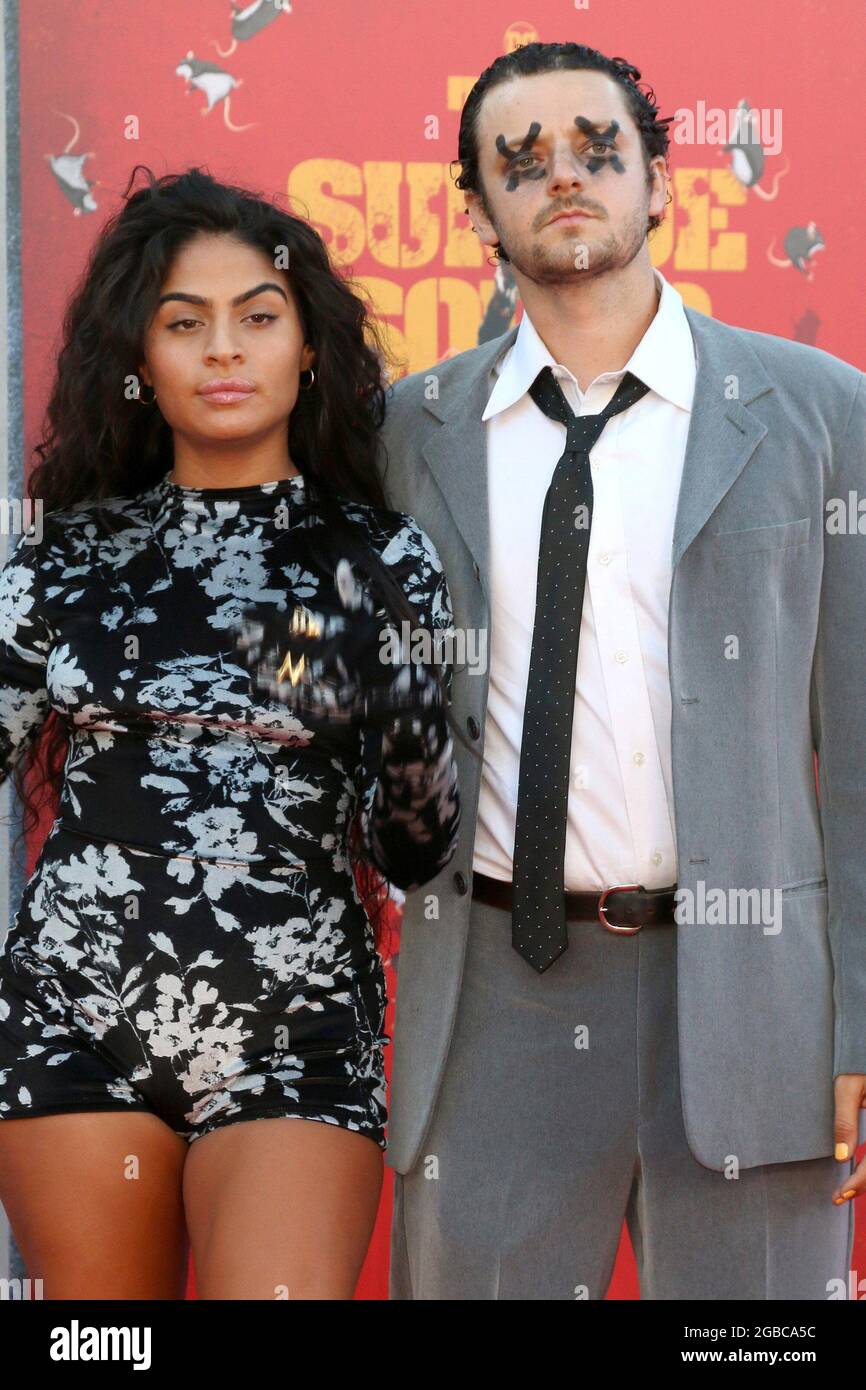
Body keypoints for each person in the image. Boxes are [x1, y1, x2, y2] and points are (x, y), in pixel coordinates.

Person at [376, 41, 866, 1299]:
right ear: (477, 208)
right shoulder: (403, 432)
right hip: (495, 992)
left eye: (599, 145)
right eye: (519, 158)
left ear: (660, 181)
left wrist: (859, 1017)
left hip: (752, 994)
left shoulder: (820, 413)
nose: (564, 176)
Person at [0, 166, 460, 1300]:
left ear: (307, 349)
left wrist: (398, 711)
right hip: (76, 1018)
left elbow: (411, 852)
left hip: (297, 1030)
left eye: (257, 317)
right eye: (182, 322)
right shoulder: (66, 556)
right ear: (137, 360)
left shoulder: (372, 561)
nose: (222, 349)